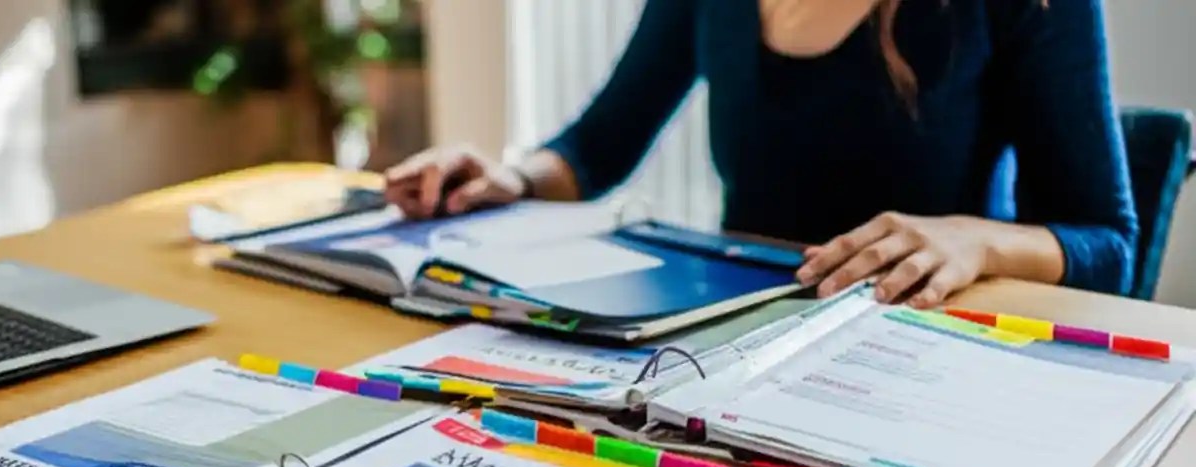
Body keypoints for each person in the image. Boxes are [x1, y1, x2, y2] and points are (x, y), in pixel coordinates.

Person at [384, 0, 1137, 308]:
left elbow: (1107, 241)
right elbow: (597, 147)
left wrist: (972, 238)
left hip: (920, 339)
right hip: (739, 334)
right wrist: (509, 178)